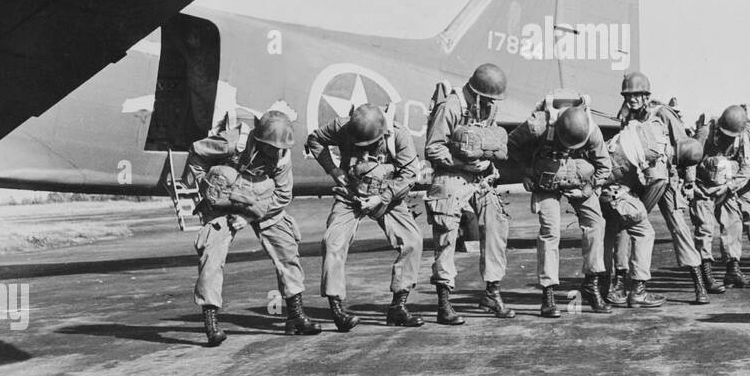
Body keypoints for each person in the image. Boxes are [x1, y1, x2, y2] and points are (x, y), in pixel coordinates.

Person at [188, 110, 319, 346]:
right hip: (225, 199)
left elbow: (282, 195)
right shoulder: (232, 142)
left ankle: (296, 317)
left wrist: (249, 217)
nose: (276, 152)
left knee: (286, 248)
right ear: (258, 141)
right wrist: (205, 187)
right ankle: (211, 324)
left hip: (261, 201)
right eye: (271, 147)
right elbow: (197, 152)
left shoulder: (282, 157)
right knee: (211, 253)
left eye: (281, 147)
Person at [306, 103, 426, 329]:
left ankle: (397, 308)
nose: (363, 152)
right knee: (332, 243)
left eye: (370, 146)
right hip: (350, 194)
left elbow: (410, 175)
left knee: (413, 241)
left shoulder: (399, 135)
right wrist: (333, 170)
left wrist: (382, 198)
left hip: (386, 196)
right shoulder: (341, 126)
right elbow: (314, 139)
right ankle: (337, 311)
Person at [423, 63, 514, 324]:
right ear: (476, 93)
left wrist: (486, 162)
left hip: (479, 177)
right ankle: (444, 302)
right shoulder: (451, 106)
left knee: (496, 224)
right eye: (487, 100)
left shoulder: (489, 107)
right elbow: (433, 149)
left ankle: (492, 293)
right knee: (446, 231)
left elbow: (487, 137)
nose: (490, 105)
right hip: (451, 173)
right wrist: (463, 164)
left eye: (493, 101)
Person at [507, 94, 612, 317]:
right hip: (546, 181)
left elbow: (604, 167)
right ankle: (548, 294)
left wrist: (586, 189)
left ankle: (592, 285)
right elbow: (511, 143)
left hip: (579, 180)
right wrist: (526, 170)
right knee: (550, 232)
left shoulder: (591, 129)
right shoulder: (539, 124)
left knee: (596, 223)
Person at [611, 73, 708, 304]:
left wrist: (690, 181)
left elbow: (686, 148)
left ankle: (699, 283)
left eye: (636, 95)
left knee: (679, 227)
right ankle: (622, 280)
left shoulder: (663, 114)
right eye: (628, 95)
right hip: (638, 178)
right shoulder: (626, 115)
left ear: (646, 95)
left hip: (666, 178)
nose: (632, 99)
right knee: (627, 224)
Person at [691, 105, 750, 289]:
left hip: (726, 188)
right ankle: (706, 276)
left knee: (734, 224)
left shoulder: (742, 137)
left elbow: (747, 168)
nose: (729, 138)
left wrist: (730, 187)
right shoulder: (706, 133)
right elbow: (689, 160)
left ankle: (733, 271)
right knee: (705, 229)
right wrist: (693, 187)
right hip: (703, 187)